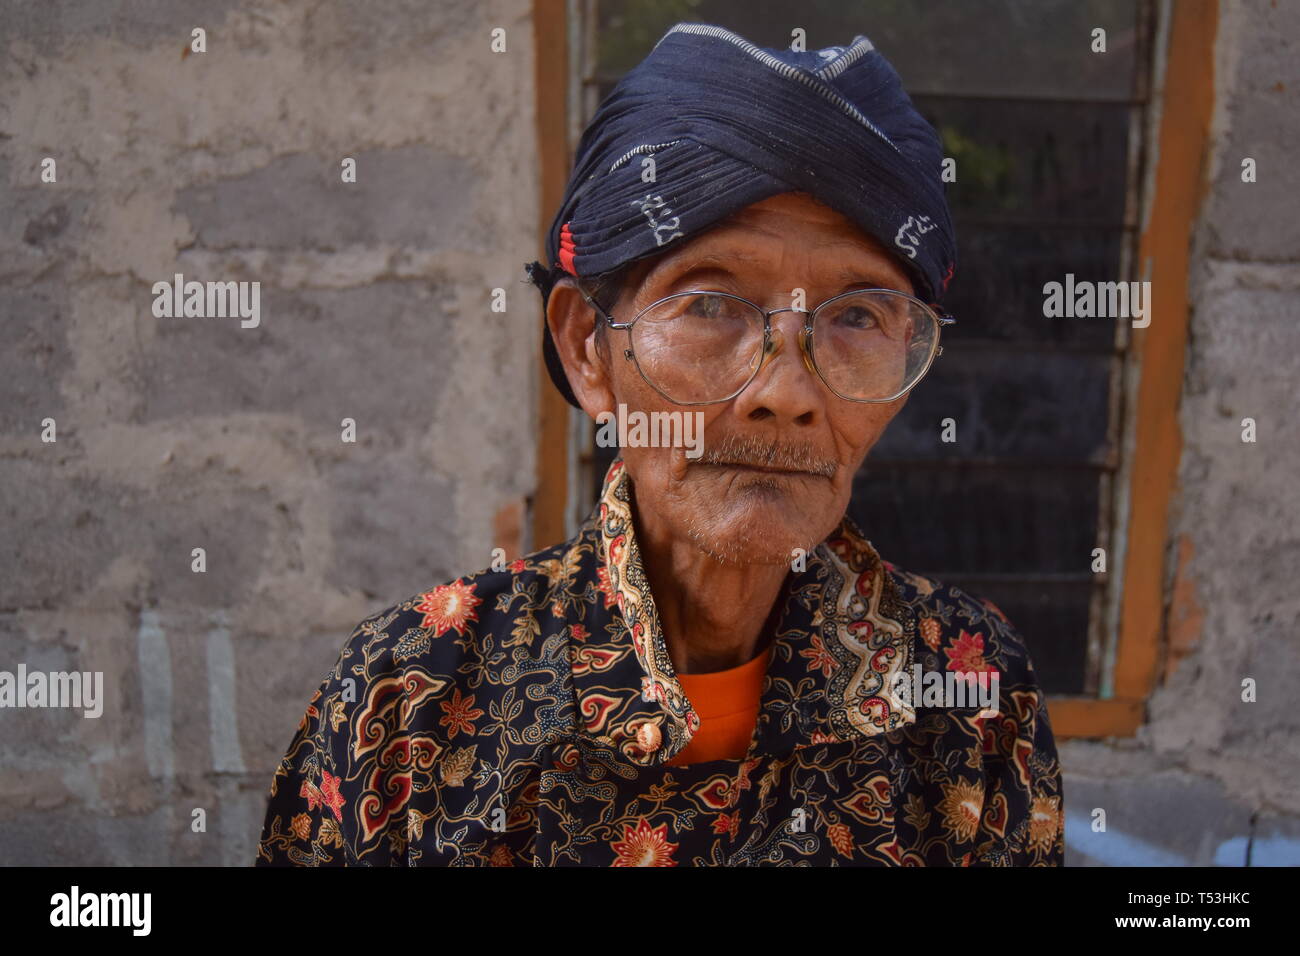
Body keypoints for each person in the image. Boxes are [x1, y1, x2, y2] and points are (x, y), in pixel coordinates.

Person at [255, 21, 1064, 866]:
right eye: (711, 304)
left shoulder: (968, 690)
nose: (786, 394)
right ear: (586, 349)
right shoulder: (413, 695)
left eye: (858, 316)